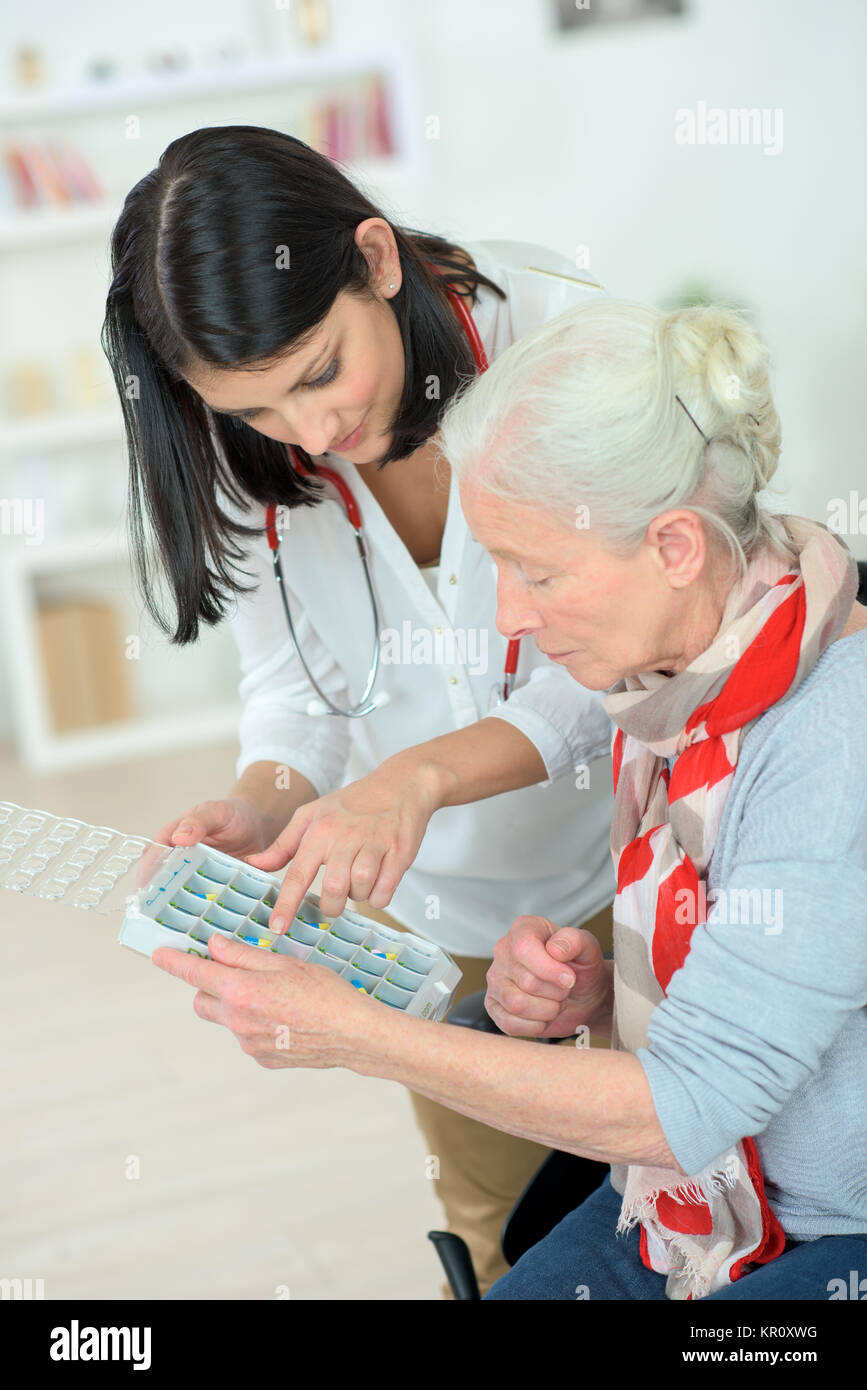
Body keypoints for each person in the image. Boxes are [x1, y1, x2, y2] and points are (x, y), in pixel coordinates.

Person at [152, 293, 867, 1300]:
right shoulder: (686, 674)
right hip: (681, 1197)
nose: (509, 617)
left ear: (672, 547)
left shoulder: (831, 740)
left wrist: (357, 1033)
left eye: (536, 572)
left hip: (823, 1228)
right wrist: (608, 989)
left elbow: (686, 1102)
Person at [101, 123, 617, 1295]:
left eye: (322, 374)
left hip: (637, 862)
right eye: (262, 413)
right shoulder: (261, 453)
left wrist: (414, 779)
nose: (314, 436)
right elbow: (297, 690)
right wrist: (259, 801)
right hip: (443, 922)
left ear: (376, 259)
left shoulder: (562, 339)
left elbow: (621, 668)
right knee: (503, 1233)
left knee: (698, 1210)